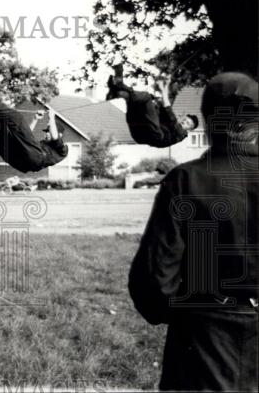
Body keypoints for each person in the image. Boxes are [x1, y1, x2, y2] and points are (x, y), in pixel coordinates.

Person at [128, 72, 258, 391]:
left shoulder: (185, 181)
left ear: (208, 119)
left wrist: (187, 313)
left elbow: (154, 282)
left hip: (201, 345)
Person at [0, 81, 68, 173]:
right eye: (46, 131)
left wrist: (51, 118)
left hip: (35, 159)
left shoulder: (62, 149)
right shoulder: (42, 144)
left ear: (60, 134)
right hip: (17, 160)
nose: (46, 134)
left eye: (48, 131)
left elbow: (55, 137)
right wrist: (35, 119)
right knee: (1, 132)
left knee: (18, 119)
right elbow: (24, 136)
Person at [106, 65, 198, 148]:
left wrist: (163, 88)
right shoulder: (171, 125)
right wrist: (166, 84)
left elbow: (168, 110)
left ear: (189, 130)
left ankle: (120, 87)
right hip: (138, 131)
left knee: (146, 97)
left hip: (154, 135)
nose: (184, 122)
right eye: (185, 120)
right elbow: (164, 106)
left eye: (188, 124)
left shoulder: (180, 134)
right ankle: (116, 93)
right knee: (136, 102)